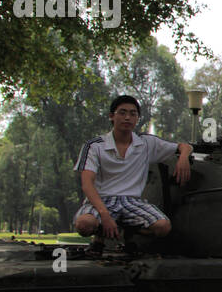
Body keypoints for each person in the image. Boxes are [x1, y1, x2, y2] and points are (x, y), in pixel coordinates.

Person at [74, 95, 192, 248]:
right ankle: (100, 235)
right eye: (122, 113)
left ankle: (129, 232)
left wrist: (183, 158)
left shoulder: (146, 143)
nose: (127, 118)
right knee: (84, 224)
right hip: (102, 199)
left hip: (131, 201)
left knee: (163, 226)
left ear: (137, 118)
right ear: (111, 116)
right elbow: (87, 184)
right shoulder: (94, 146)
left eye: (132, 114)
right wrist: (105, 215)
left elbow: (185, 146)